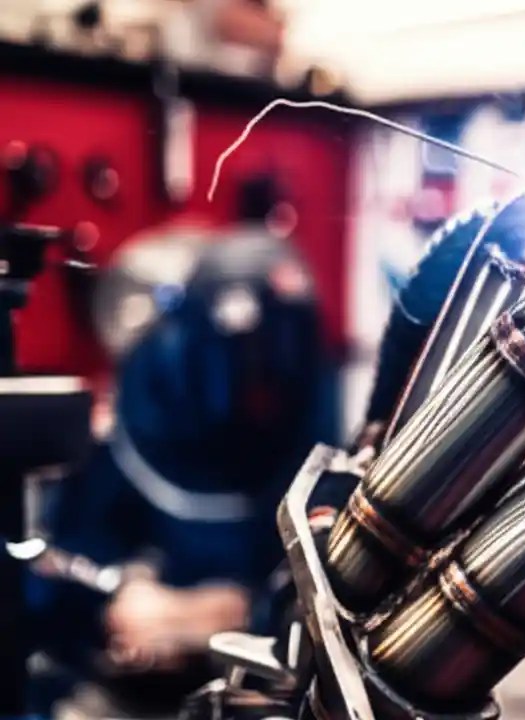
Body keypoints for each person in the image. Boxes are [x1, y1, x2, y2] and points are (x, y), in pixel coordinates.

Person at [28, 230, 328, 713]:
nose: (258, 388)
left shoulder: (305, 424)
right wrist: (121, 604)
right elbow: (67, 563)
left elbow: (319, 577)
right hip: (124, 680)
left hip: (259, 677)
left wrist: (239, 613)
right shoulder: (150, 406)